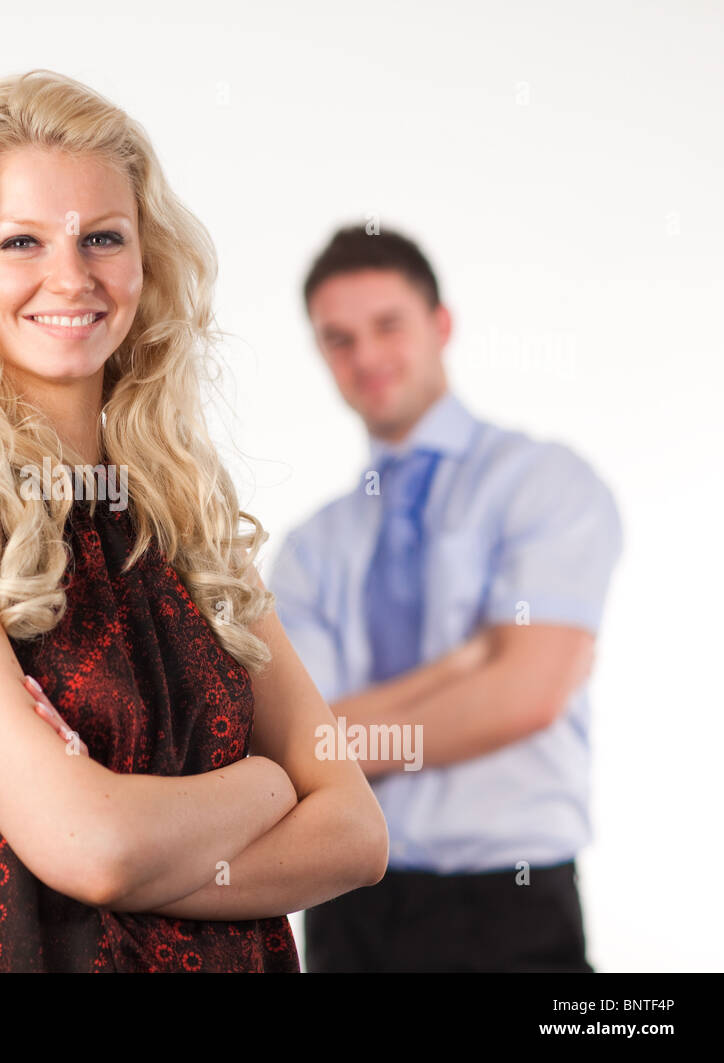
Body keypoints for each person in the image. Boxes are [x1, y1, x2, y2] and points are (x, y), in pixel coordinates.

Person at [0, 70, 388, 973]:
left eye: (102, 238)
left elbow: (357, 832)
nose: (70, 275)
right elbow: (87, 845)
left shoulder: (182, 509)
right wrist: (266, 783)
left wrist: (123, 849)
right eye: (20, 240)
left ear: (143, 262)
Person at [269, 224, 623, 972]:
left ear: (442, 324)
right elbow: (291, 742)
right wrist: (464, 667)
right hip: (346, 908)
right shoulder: (311, 546)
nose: (365, 356)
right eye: (338, 338)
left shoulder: (544, 484)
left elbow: (523, 697)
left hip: (507, 908)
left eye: (387, 325)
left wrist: (336, 739)